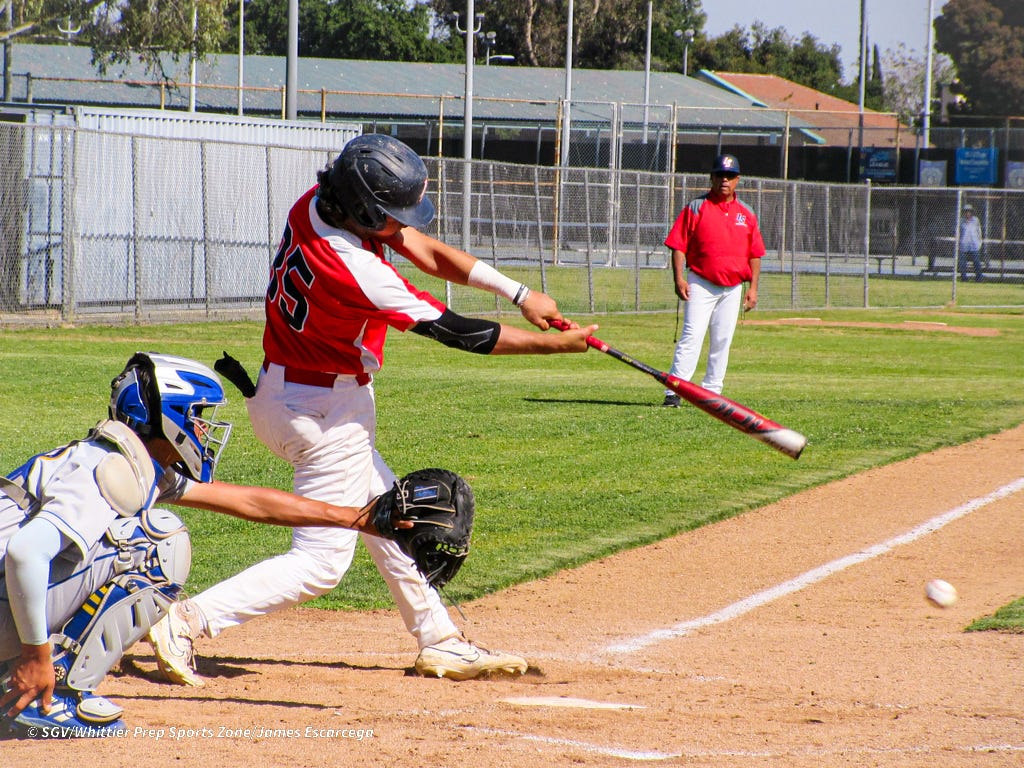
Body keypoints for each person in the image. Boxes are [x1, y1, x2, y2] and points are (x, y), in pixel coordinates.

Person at [148, 134, 597, 686]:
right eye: (388, 213)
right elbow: (457, 332)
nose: (398, 225)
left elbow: (424, 249)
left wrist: (521, 294)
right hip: (322, 411)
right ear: (362, 209)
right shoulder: (355, 270)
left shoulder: (316, 205)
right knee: (321, 562)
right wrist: (554, 346)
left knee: (390, 514)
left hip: (294, 393)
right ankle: (187, 619)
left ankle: (440, 640)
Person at [0, 352, 417, 738]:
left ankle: (11, 676)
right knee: (161, 543)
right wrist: (36, 655)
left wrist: (356, 518)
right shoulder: (109, 470)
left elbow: (252, 503)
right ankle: (49, 696)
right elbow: (25, 553)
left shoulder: (135, 464)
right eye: (197, 416)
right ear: (169, 416)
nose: (204, 429)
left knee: (123, 540)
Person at [661, 154, 765, 407]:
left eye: (730, 176)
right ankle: (675, 390)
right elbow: (678, 246)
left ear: (738, 180)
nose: (724, 180)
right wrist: (679, 278)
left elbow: (755, 253)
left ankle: (712, 392)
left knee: (722, 339)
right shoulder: (696, 207)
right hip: (701, 281)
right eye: (720, 175)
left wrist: (753, 288)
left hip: (733, 287)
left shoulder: (746, 213)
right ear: (712, 177)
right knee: (692, 335)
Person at [958, 203, 984, 282]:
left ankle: (979, 278)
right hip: (964, 245)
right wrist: (958, 243)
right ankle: (964, 278)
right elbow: (958, 232)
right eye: (966, 211)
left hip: (974, 245)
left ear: (972, 212)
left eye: (969, 211)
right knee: (962, 263)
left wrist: (979, 242)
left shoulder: (976, 220)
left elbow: (979, 232)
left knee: (976, 262)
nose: (967, 213)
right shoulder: (961, 221)